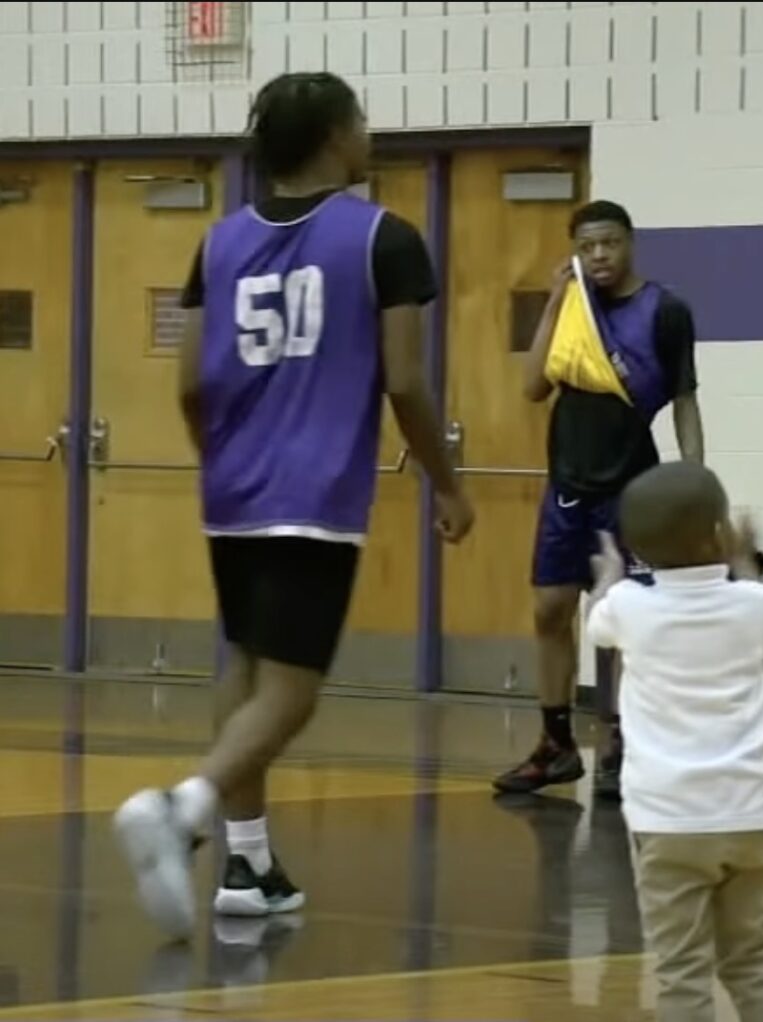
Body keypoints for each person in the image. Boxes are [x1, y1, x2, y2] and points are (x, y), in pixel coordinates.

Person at [113, 72, 474, 939]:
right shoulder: (386, 237)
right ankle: (183, 811)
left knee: (244, 664)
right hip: (315, 490)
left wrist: (222, 459)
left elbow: (194, 383)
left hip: (232, 485)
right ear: (333, 136)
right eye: (361, 119)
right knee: (295, 689)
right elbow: (407, 382)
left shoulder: (220, 240)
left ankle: (250, 860)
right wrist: (448, 482)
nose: (369, 133)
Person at [493, 200, 704, 798]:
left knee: (622, 622)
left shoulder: (665, 311)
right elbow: (534, 387)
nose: (600, 256)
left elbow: (685, 399)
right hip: (568, 485)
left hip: (632, 489)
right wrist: (557, 301)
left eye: (610, 244)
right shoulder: (573, 311)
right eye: (588, 247)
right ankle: (556, 744)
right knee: (549, 610)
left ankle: (619, 738)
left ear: (629, 243)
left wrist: (695, 483)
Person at [587, 462, 763, 1022]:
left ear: (637, 548)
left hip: (667, 822)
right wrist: (743, 559)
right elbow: (752, 593)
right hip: (748, 815)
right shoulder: (756, 604)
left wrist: (609, 575)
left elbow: (597, 621)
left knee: (682, 975)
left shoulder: (629, 606)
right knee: (754, 966)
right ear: (719, 534)